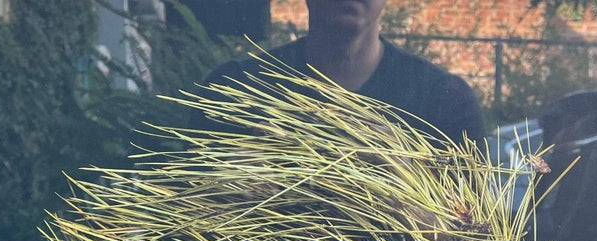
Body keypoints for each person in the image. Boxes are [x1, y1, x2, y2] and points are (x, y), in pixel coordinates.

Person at [189, 0, 486, 146]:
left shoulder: (445, 104)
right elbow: (184, 227)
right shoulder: (232, 92)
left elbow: (473, 238)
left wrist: (404, 188)